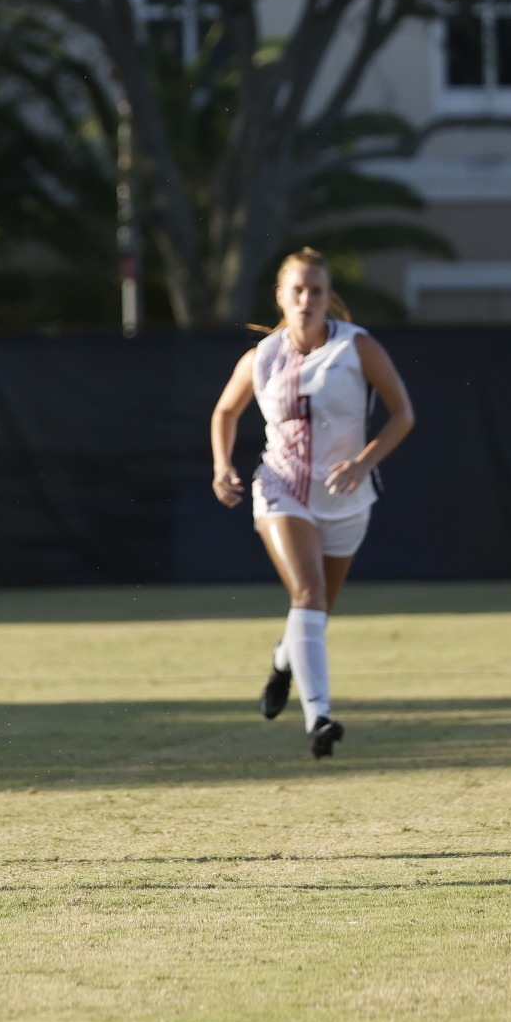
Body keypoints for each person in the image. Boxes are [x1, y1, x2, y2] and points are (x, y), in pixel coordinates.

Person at [209, 247, 415, 758]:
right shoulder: (261, 357)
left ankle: (284, 659)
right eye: (297, 290)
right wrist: (222, 465)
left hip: (346, 496)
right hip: (281, 488)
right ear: (280, 296)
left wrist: (363, 463)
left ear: (328, 297)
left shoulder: (356, 345)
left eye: (316, 290)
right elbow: (225, 412)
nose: (306, 299)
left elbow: (403, 414)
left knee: (316, 609)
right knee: (308, 593)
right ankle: (318, 718)